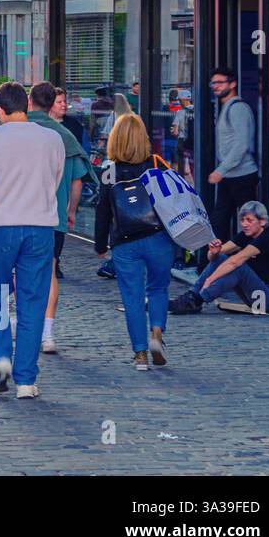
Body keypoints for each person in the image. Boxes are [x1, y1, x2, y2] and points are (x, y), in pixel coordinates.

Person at [0, 82, 65, 400]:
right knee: (33, 300)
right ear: (26, 104)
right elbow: (55, 179)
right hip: (40, 226)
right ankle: (26, 378)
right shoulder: (52, 139)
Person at [93, 114, 174, 369]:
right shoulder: (158, 165)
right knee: (159, 288)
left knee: (132, 298)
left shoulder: (110, 172)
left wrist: (100, 245)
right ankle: (157, 332)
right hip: (158, 237)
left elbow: (103, 210)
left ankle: (140, 355)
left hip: (125, 241)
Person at [28, 82, 95, 354]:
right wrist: (70, 211)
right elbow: (78, 180)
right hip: (54, 217)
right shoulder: (65, 136)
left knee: (25, 274)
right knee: (50, 271)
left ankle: (27, 327)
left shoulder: (19, 130)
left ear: (31, 101)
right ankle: (48, 334)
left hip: (23, 214)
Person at [169, 200, 269, 317]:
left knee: (239, 267)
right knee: (221, 257)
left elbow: (235, 261)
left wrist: (210, 280)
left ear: (262, 222)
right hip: (257, 296)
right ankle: (192, 295)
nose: (244, 224)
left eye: (249, 220)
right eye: (242, 220)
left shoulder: (268, 238)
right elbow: (213, 257)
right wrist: (214, 252)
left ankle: (197, 300)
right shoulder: (245, 235)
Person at [207, 66, 259, 252]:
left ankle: (254, 263)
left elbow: (241, 145)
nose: (215, 86)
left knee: (250, 224)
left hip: (242, 176)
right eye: (214, 83)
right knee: (219, 221)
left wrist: (220, 170)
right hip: (230, 175)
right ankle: (213, 262)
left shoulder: (238, 109)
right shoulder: (226, 107)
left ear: (233, 84)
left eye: (220, 82)